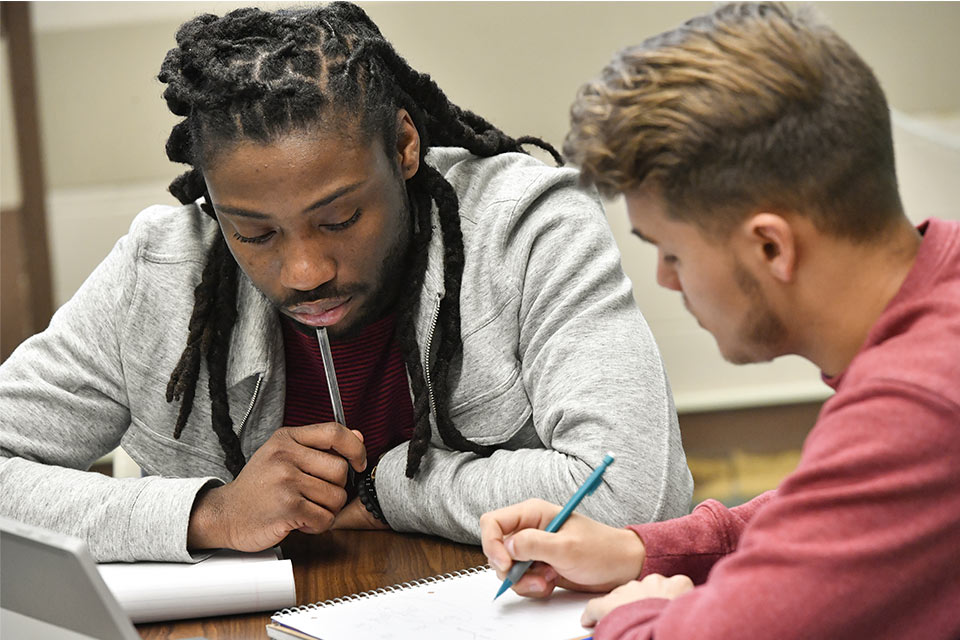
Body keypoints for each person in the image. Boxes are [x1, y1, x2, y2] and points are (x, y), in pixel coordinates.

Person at [0, 2, 692, 563]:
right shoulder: (161, 269)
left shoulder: (529, 229)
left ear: (405, 146)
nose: (305, 272)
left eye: (339, 219)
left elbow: (632, 494)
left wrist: (390, 488)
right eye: (256, 233)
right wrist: (211, 513)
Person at [480, 3, 960, 639]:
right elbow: (826, 512)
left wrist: (636, 615)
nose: (665, 279)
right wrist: (639, 551)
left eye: (672, 252)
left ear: (770, 248)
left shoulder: (916, 406)